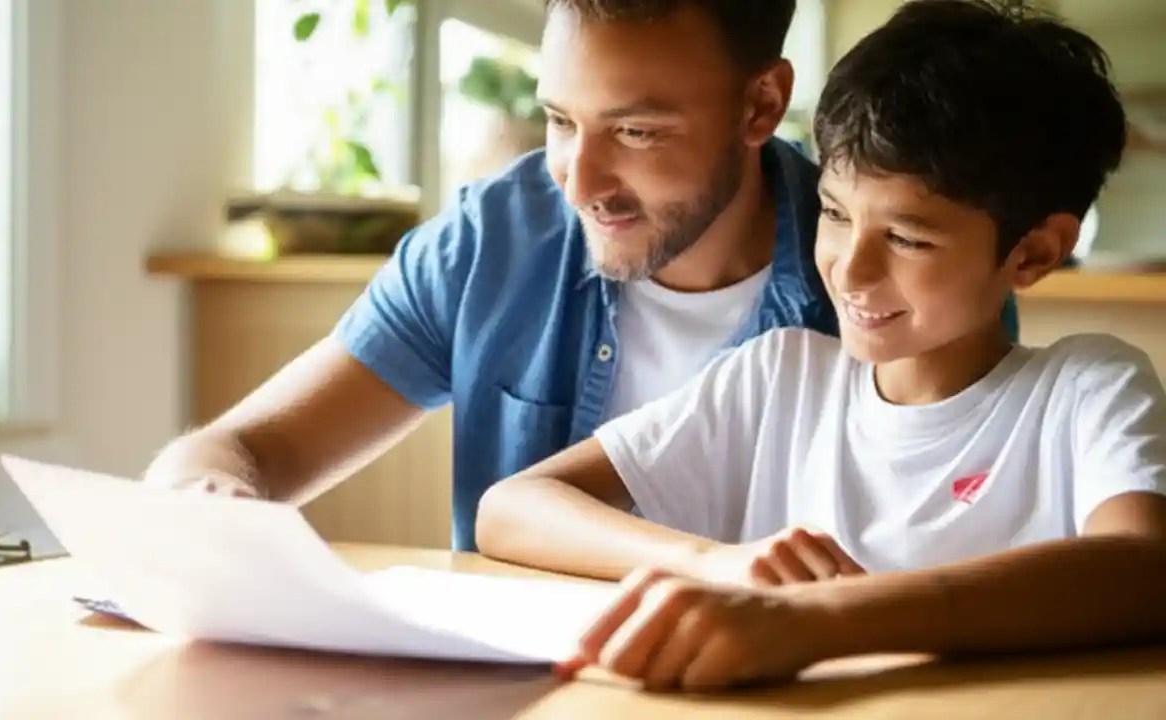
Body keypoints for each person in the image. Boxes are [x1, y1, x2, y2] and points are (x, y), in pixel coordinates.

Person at [476, 0, 1166, 692]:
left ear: (1034, 253)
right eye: (835, 213)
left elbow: (1146, 568)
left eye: (906, 238)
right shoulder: (778, 377)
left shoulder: (1086, 388)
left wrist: (827, 618)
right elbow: (511, 508)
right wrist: (714, 563)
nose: (850, 268)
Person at [144, 0, 968, 551]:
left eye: (637, 132)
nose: (577, 179)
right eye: (560, 120)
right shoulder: (494, 239)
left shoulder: (891, 287)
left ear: (760, 106)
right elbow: (250, 448)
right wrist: (206, 503)